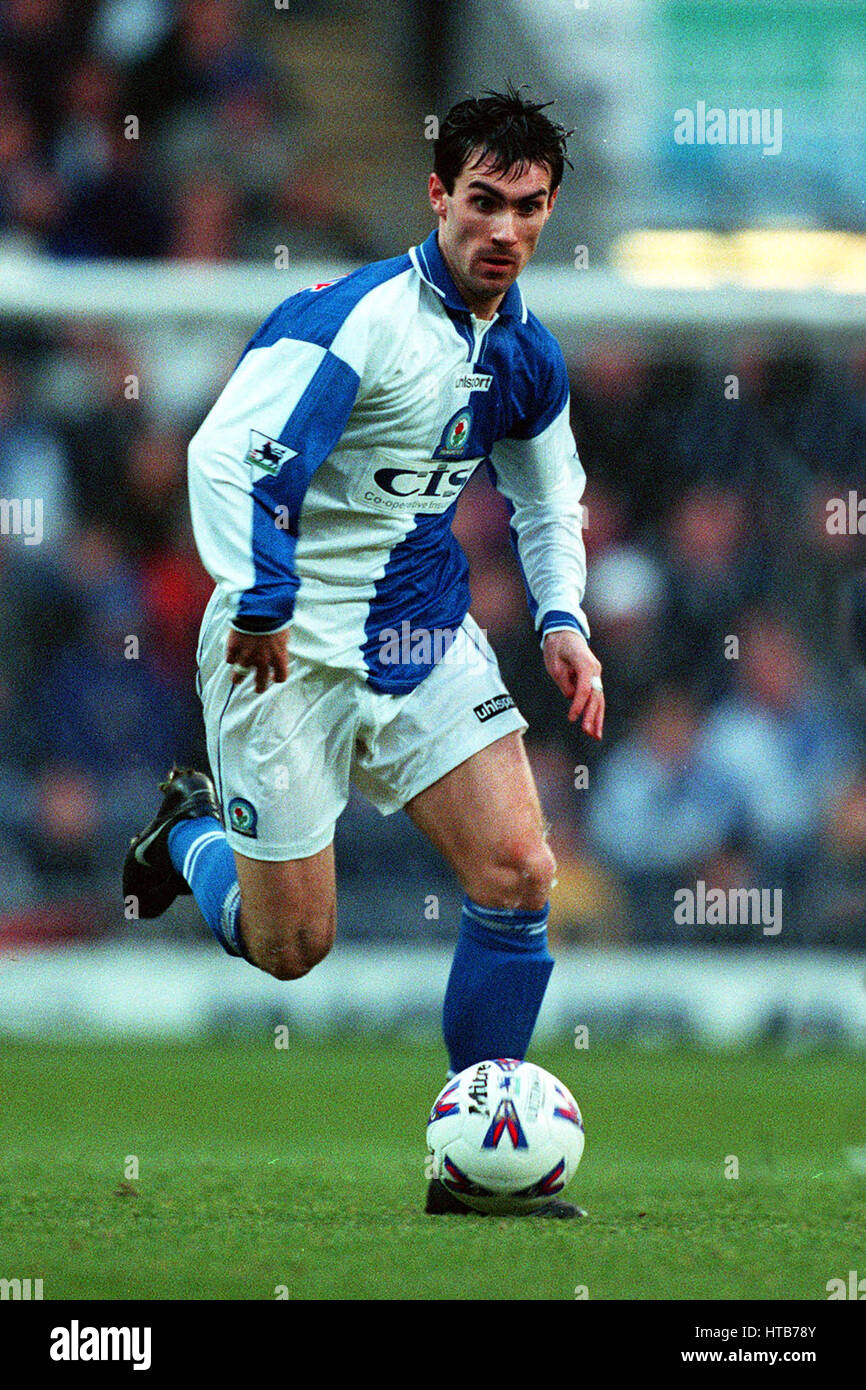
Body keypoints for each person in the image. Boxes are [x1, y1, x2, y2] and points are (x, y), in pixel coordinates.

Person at [124, 86, 604, 1217]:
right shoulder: (351, 320)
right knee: (291, 946)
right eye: (482, 202)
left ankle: (473, 1159)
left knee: (519, 869)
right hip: (280, 651)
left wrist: (561, 621)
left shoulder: (527, 353)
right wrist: (259, 599)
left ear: (548, 213)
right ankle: (184, 834)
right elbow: (225, 454)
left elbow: (547, 501)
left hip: (423, 634)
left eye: (528, 209)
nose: (503, 230)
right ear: (436, 196)